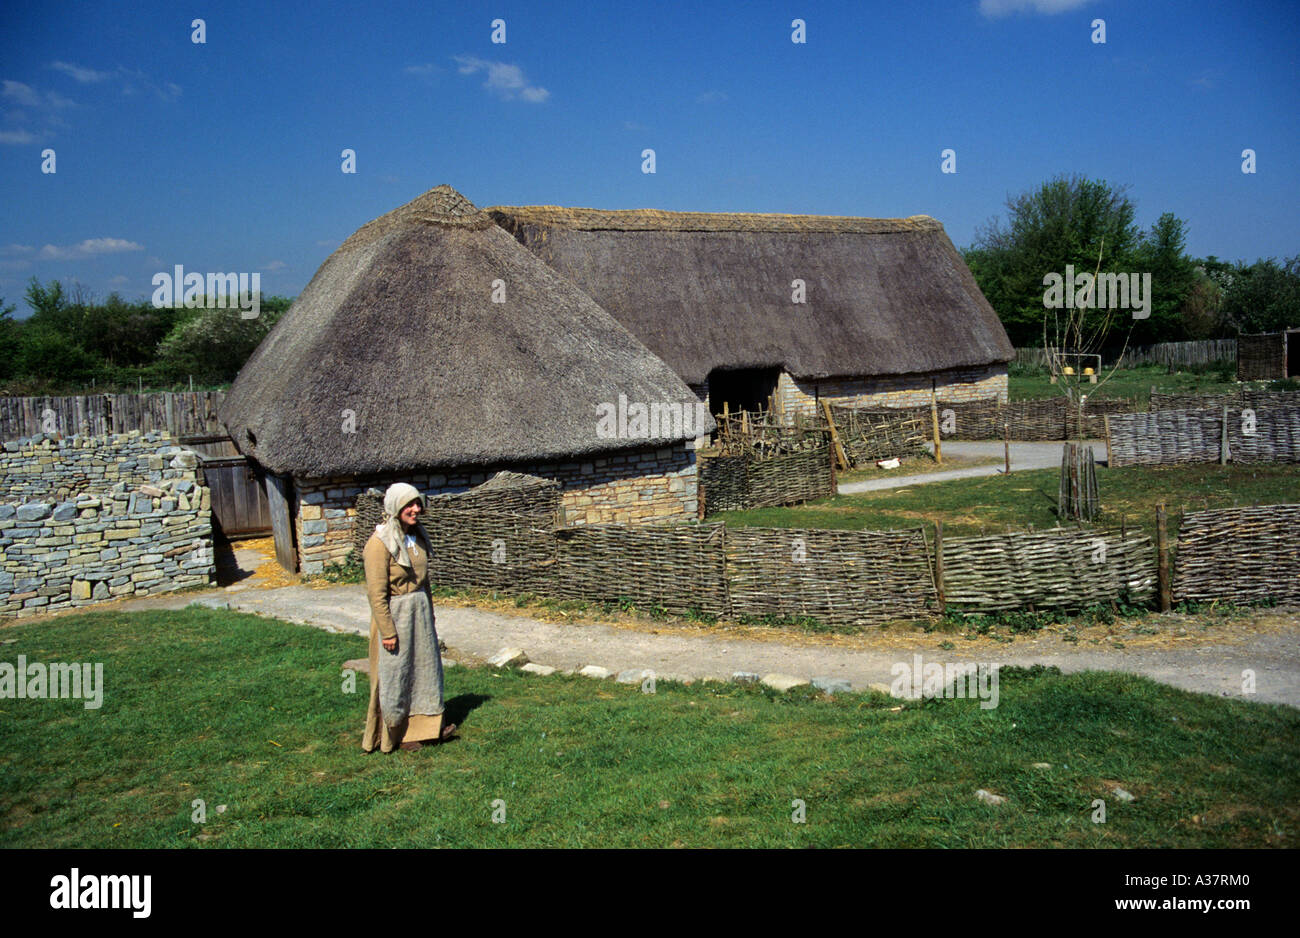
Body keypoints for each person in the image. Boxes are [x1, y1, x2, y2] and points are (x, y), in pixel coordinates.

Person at [361, 482, 456, 752]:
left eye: (417, 504)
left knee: (424, 672)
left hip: (419, 615)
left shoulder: (416, 537)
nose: (416, 509)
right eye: (409, 505)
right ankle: (396, 734)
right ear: (395, 507)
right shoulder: (379, 543)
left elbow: (424, 582)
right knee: (396, 675)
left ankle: (427, 728)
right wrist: (388, 631)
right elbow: (376, 594)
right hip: (396, 616)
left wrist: (430, 614)